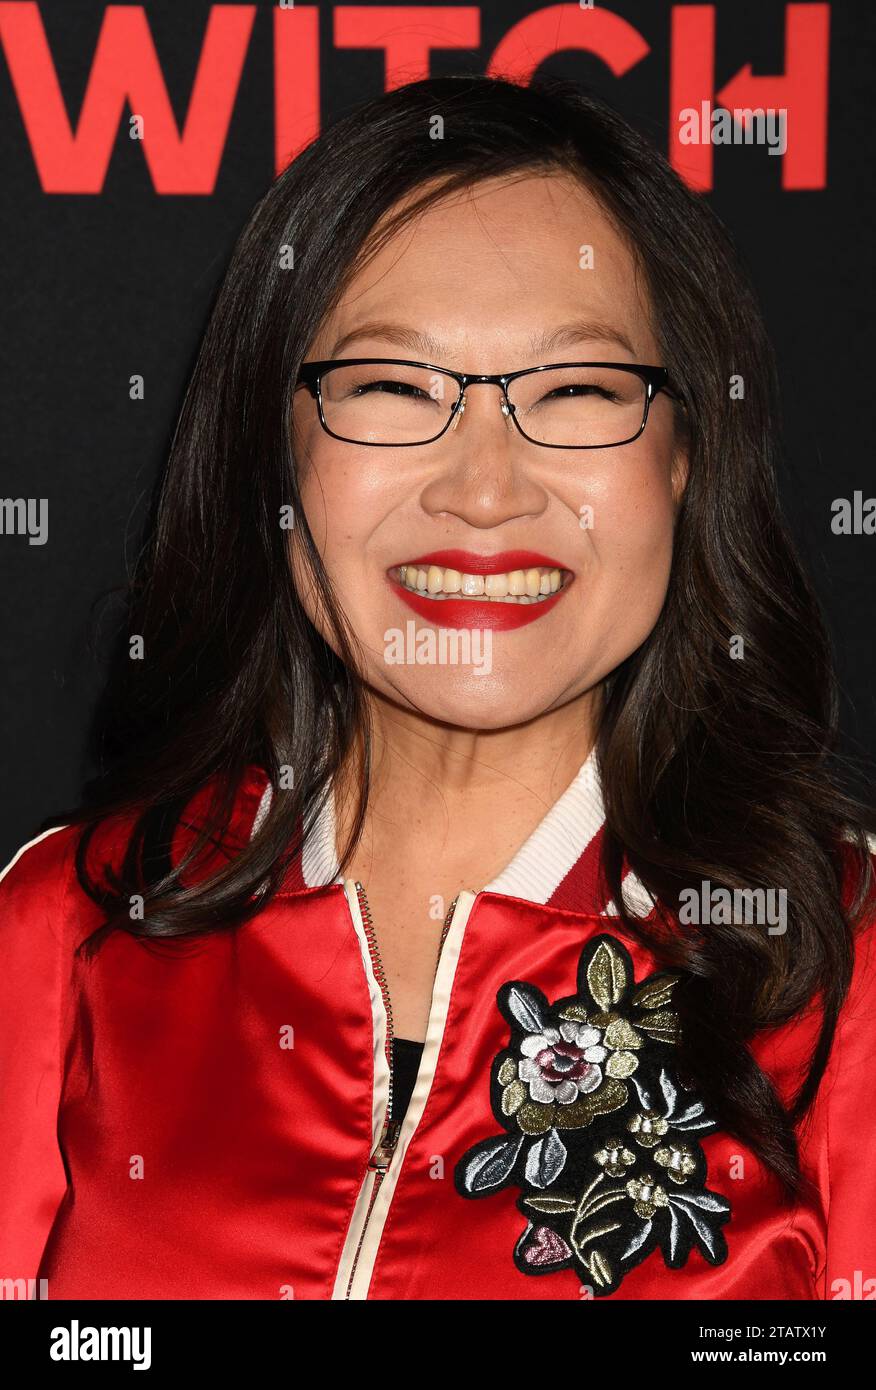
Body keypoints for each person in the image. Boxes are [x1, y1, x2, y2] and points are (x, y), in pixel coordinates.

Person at [1, 73, 874, 1302]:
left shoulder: (842, 965)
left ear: (684, 462)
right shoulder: (68, 929)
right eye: (393, 388)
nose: (484, 489)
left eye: (576, 391)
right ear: (275, 461)